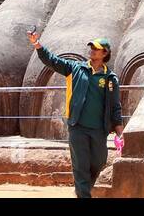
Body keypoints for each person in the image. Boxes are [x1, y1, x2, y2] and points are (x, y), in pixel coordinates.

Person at [28, 31, 124, 198]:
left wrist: (119, 131)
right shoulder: (75, 68)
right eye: (92, 47)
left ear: (105, 53)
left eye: (97, 48)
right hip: (77, 126)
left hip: (99, 129)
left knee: (99, 162)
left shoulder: (110, 78)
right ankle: (83, 194)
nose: (93, 50)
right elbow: (52, 61)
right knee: (80, 166)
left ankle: (82, 190)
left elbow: (115, 106)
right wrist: (37, 44)